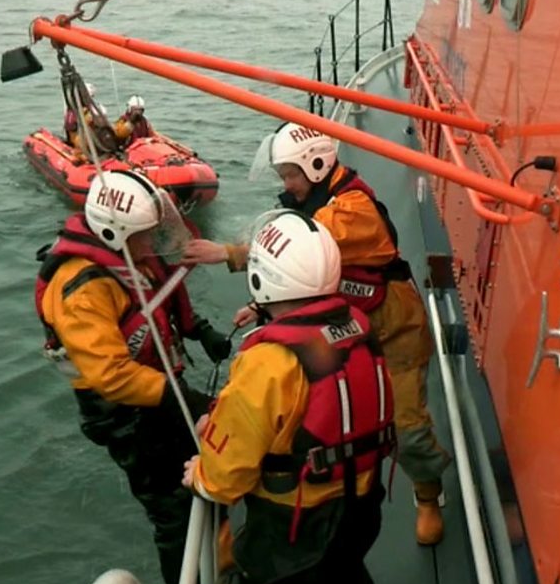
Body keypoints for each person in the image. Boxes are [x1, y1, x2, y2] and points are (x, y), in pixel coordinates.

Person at [183, 123, 452, 546]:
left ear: (316, 165)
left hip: (395, 330)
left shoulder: (350, 212)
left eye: (290, 174)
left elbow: (308, 247)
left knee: (409, 427)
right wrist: (262, 306)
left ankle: (428, 493)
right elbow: (311, 275)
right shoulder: (315, 202)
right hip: (349, 327)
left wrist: (229, 253)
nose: (287, 185)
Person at [182, 210, 393, 584]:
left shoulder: (269, 362)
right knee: (345, 579)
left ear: (262, 279)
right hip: (362, 505)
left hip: (294, 523)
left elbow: (229, 473)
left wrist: (204, 477)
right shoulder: (359, 326)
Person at [35, 169, 232, 584]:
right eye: (146, 234)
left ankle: (223, 549)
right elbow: (110, 375)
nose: (152, 242)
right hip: (123, 411)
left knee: (206, 464)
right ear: (115, 231)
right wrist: (177, 394)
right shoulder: (81, 289)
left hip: (158, 388)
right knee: (170, 508)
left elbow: (157, 299)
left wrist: (200, 329)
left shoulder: (129, 256)